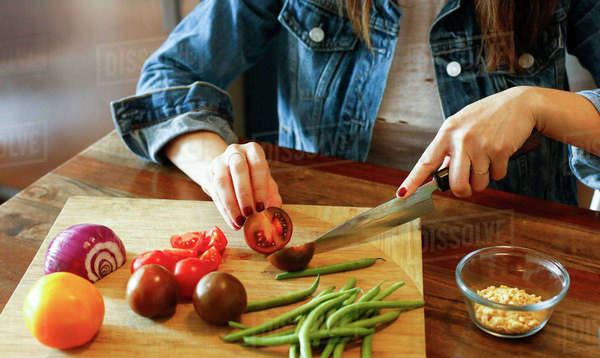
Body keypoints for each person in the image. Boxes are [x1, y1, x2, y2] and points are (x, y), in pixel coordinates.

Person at [111, 0, 600, 230]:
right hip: (326, 233)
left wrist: (536, 103)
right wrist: (217, 163)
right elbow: (169, 75)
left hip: (516, 248)